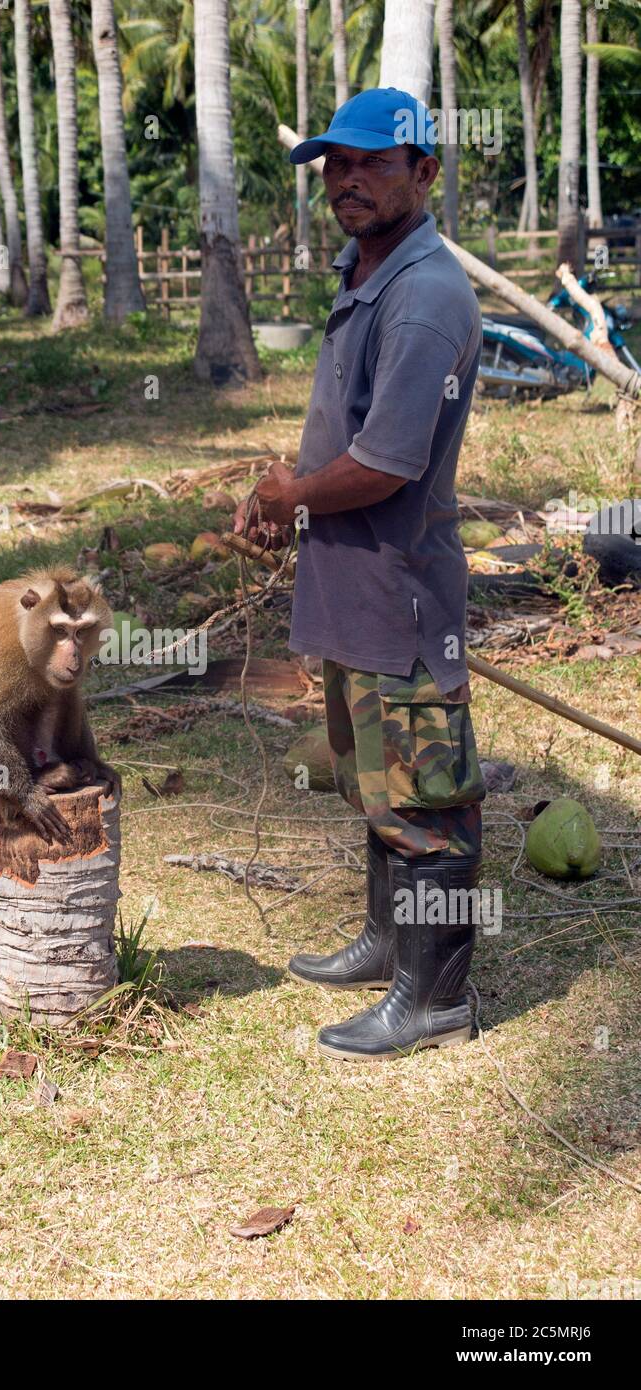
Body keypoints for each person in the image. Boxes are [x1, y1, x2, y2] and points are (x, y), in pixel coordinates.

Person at [234, 88, 486, 1062]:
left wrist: (287, 493)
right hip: (355, 585)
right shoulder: (369, 272)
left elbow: (386, 465)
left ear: (426, 172)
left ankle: (436, 997)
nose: (347, 180)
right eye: (336, 164)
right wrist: (281, 501)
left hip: (403, 594)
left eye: (374, 163)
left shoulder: (424, 297)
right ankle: (390, 943)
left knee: (426, 800)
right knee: (379, 787)